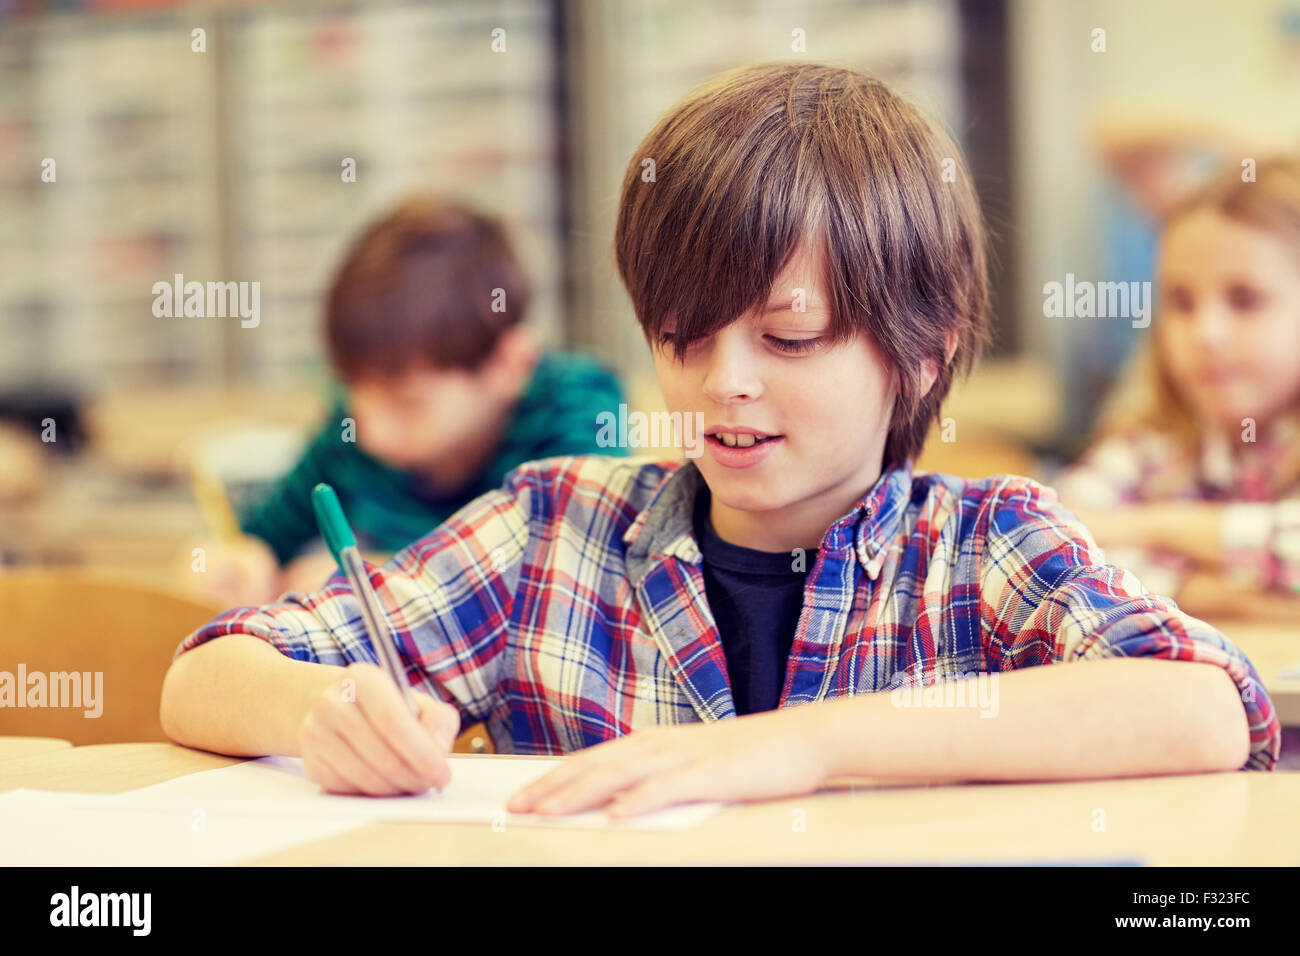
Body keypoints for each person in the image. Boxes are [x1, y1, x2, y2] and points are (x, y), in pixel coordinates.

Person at [161, 64, 1279, 821]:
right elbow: (205, 673)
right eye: (681, 336)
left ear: (926, 346)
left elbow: (1214, 705)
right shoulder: (553, 528)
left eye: (787, 336)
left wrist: (806, 744)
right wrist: (322, 714)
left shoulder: (983, 548)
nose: (722, 383)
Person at [198, 195, 627, 606]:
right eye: (353, 392)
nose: (371, 431)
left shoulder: (575, 408)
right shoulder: (350, 431)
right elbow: (261, 538)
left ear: (508, 365)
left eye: (406, 403)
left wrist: (382, 580)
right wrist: (240, 563)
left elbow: (571, 575)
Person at [1057, 158, 1300, 623]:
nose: (1206, 333)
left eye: (1244, 299)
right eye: (1181, 302)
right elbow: (1054, 542)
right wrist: (1212, 593)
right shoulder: (1150, 449)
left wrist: (1156, 528)